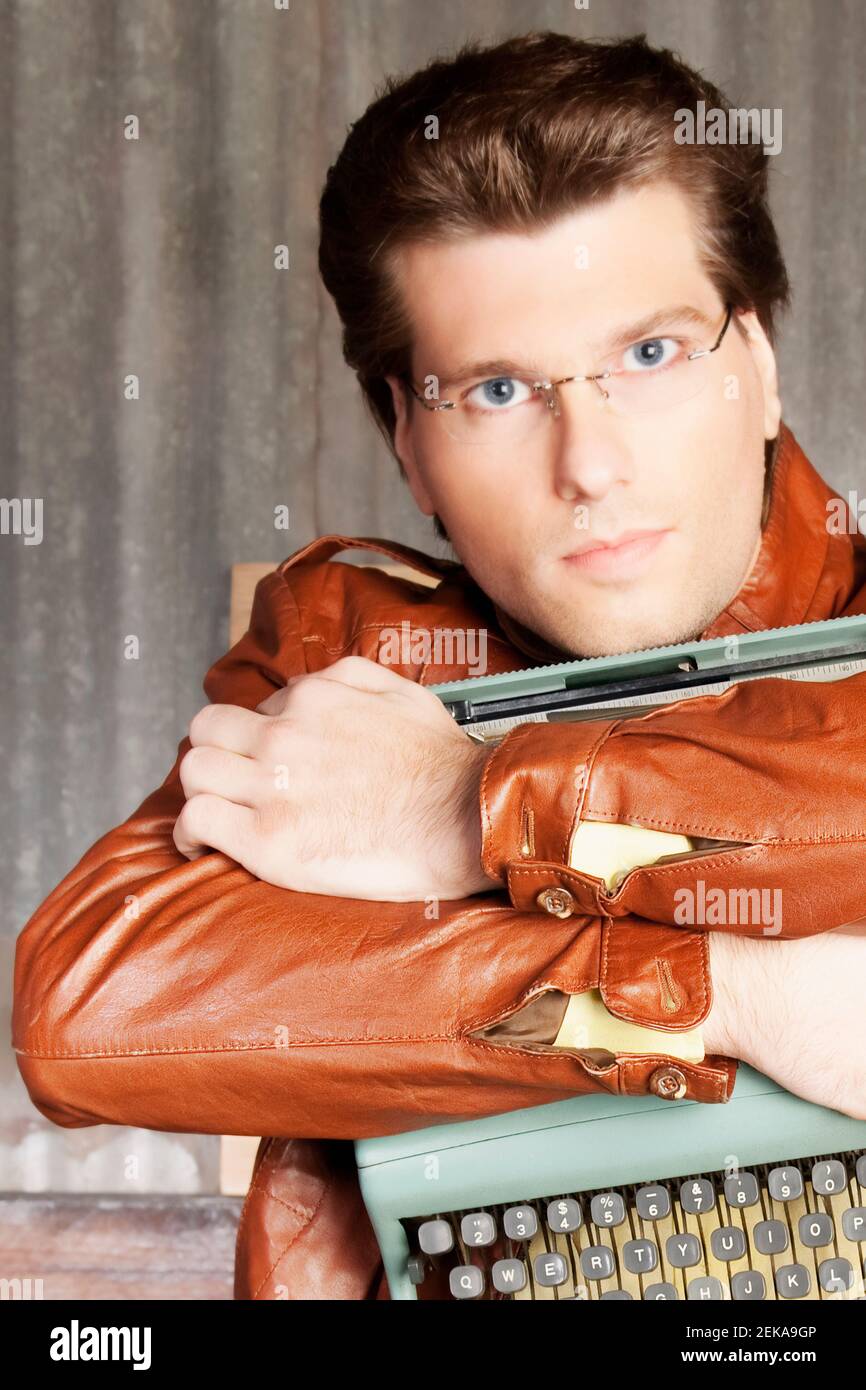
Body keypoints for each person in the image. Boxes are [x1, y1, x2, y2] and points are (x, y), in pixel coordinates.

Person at [13, 31, 866, 1301]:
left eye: (648, 353)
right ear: (404, 441)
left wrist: (471, 809)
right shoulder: (351, 652)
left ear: (754, 365)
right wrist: (726, 994)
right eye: (498, 389)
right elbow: (96, 1008)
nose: (591, 466)